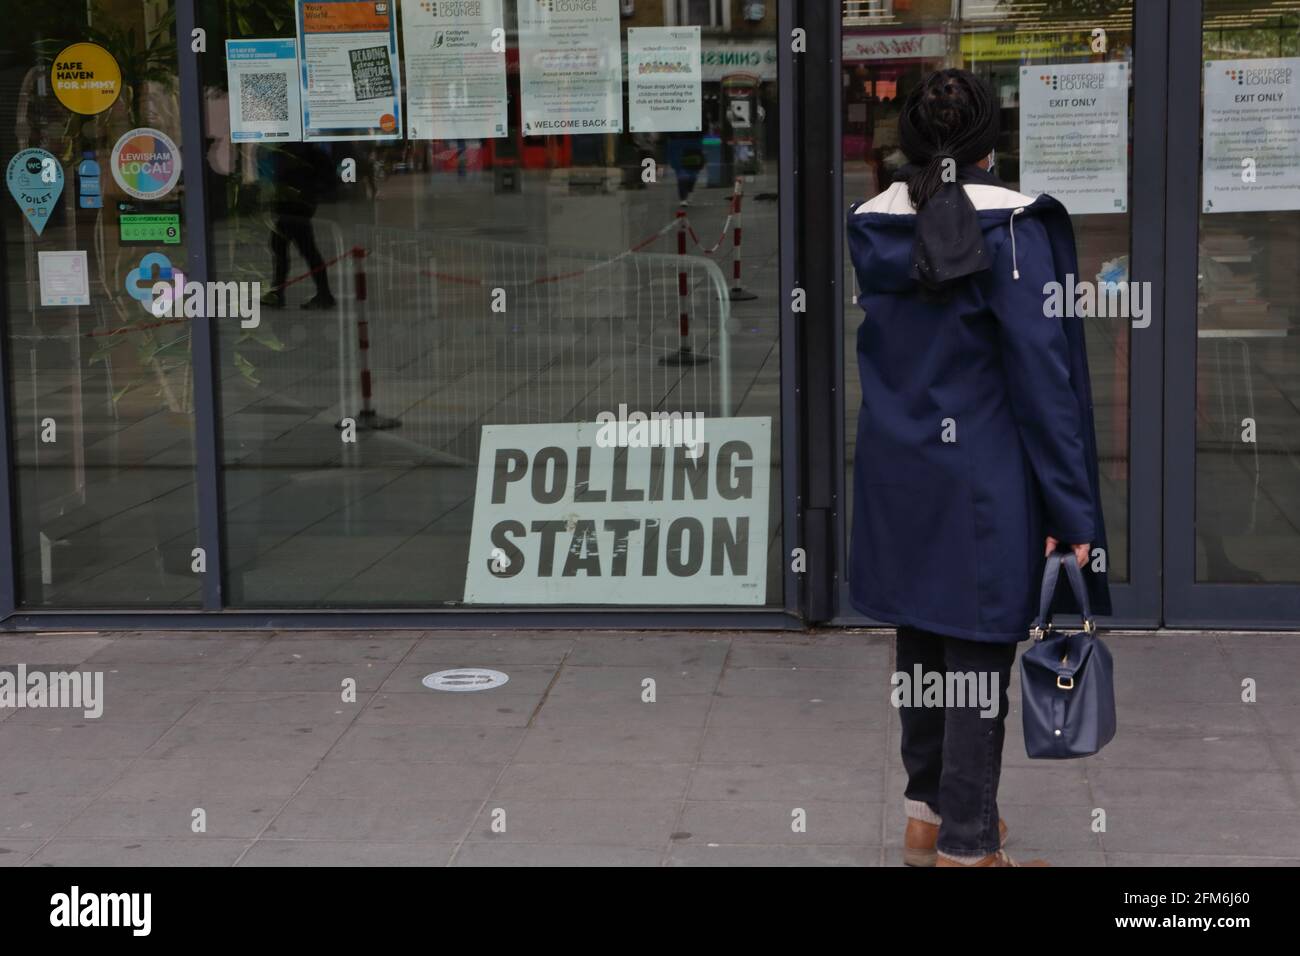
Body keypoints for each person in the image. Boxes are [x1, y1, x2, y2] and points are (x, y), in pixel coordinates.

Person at [846, 69, 1111, 867]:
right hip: (986, 476)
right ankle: (968, 849)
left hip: (900, 468)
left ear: (910, 142)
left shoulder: (871, 223)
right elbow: (1044, 383)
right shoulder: (1016, 227)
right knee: (977, 650)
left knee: (921, 641)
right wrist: (1073, 514)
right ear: (991, 142)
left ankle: (928, 817)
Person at [259, 142, 337, 310]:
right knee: (286, 247)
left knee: (300, 250)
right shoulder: (298, 151)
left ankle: (321, 294)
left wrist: (303, 194)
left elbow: (292, 179)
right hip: (294, 206)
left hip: (295, 207)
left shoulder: (301, 152)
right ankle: (280, 293)